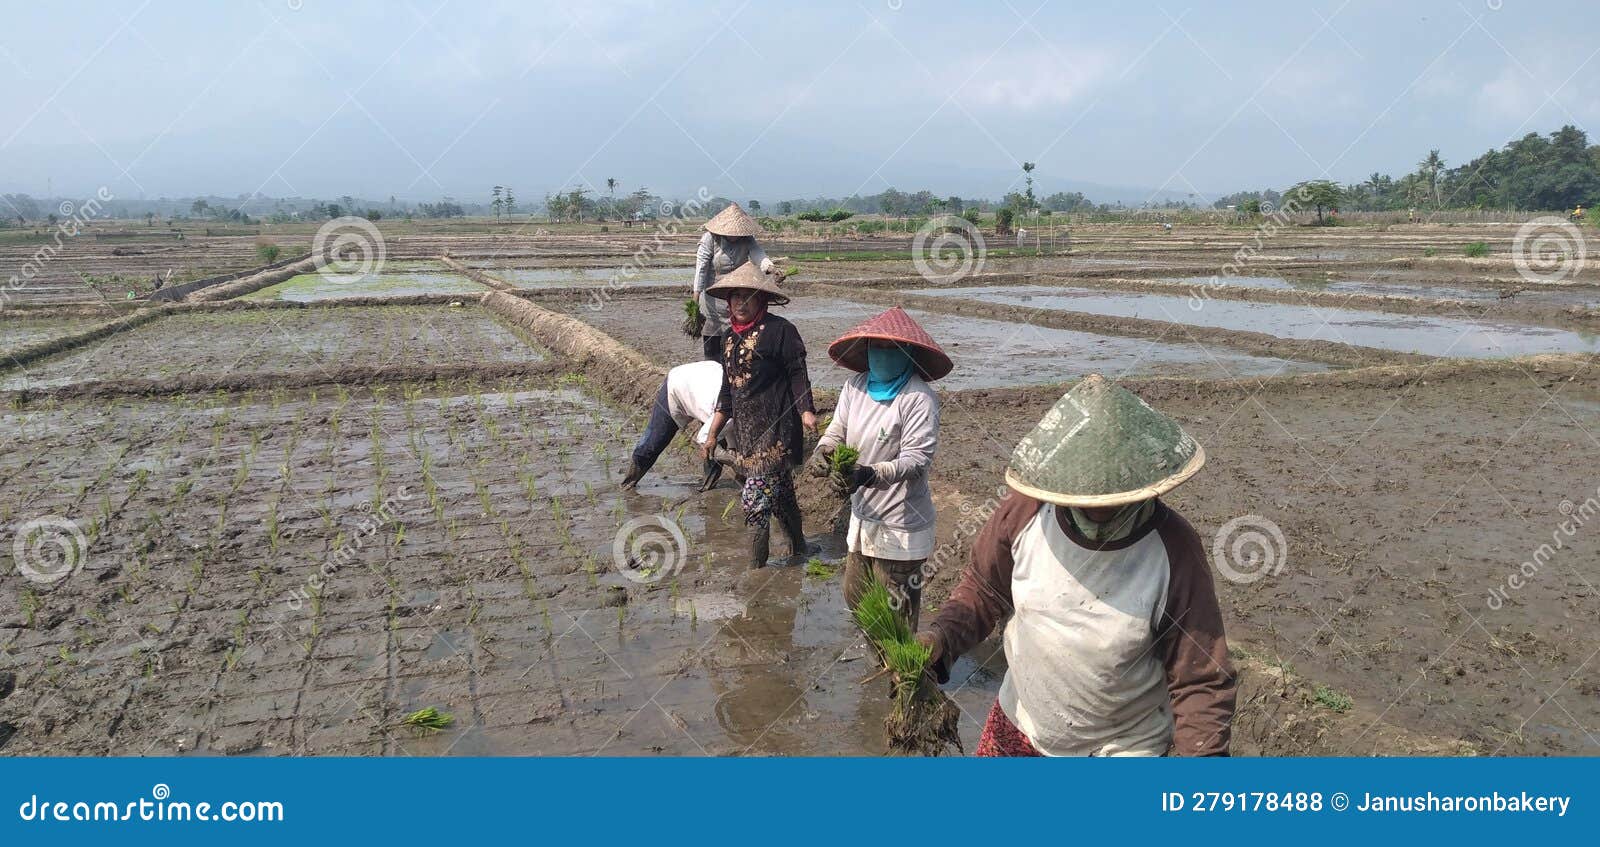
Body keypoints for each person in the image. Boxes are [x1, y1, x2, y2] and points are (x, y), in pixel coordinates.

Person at [917, 374, 1236, 756]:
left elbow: (1200, 680)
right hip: (1020, 728)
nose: (1094, 505)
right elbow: (984, 589)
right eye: (1081, 493)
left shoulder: (1174, 551)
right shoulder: (1024, 513)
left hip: (1119, 750)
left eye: (1108, 495)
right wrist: (940, 639)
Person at [808, 307, 949, 632]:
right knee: (855, 597)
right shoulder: (855, 386)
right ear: (866, 349)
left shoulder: (918, 398)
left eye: (892, 349)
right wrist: (822, 452)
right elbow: (836, 431)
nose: (882, 354)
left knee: (894, 620)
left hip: (901, 525)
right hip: (863, 518)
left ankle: (906, 678)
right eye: (877, 347)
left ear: (908, 353)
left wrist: (867, 474)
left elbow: (916, 460)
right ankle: (890, 666)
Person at [701, 261, 816, 568]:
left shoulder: (781, 331)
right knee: (781, 495)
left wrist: (806, 411)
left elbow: (797, 374)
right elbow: (728, 390)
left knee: (755, 498)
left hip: (778, 427)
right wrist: (712, 432)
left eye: (748, 296)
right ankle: (800, 548)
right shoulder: (727, 337)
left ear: (762, 300)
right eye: (735, 296)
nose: (741, 302)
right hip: (747, 432)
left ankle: (756, 571)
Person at [620, 360, 724, 493]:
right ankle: (628, 483)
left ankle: (707, 489)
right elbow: (705, 438)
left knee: (721, 442)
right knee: (654, 441)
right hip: (678, 386)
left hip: (706, 395)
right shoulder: (729, 412)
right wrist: (735, 462)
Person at [694, 203, 776, 364]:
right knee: (712, 346)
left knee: (736, 342)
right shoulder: (709, 239)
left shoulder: (747, 239)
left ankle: (733, 376)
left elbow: (759, 255)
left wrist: (770, 267)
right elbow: (701, 269)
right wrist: (695, 299)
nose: (734, 236)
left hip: (736, 297)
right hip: (712, 297)